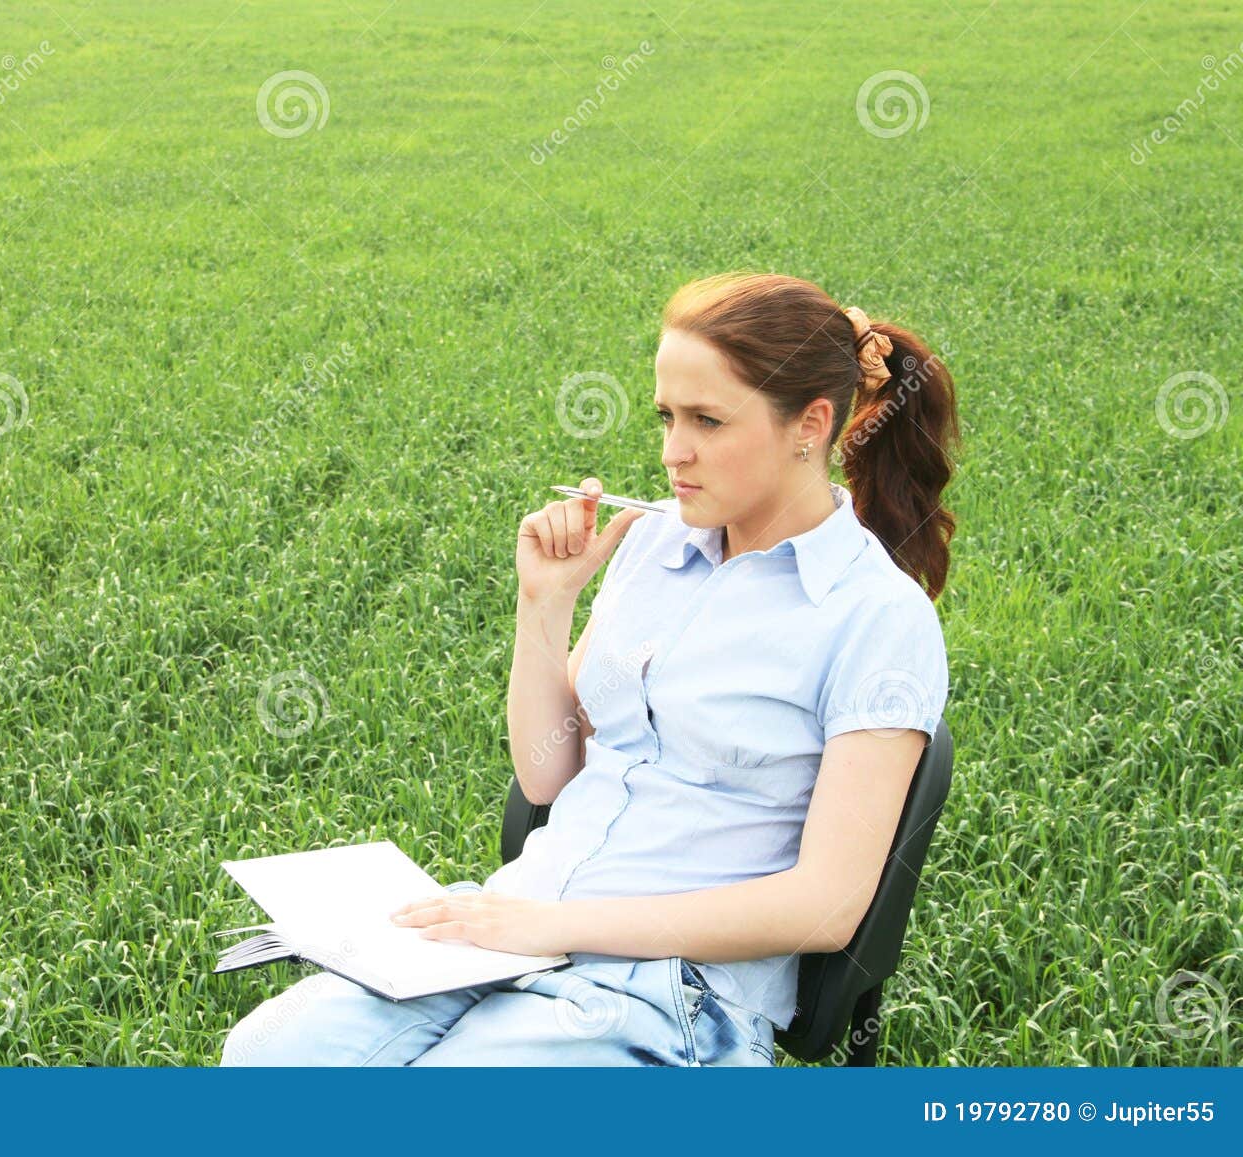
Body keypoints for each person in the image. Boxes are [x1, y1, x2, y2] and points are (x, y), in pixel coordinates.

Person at [219, 271, 960, 1066]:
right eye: (667, 416)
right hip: (514, 930)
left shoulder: (876, 618)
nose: (675, 452)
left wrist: (557, 927)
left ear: (809, 425)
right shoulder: (653, 545)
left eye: (708, 420)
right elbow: (548, 777)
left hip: (674, 995)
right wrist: (542, 607)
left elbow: (825, 908)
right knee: (265, 1054)